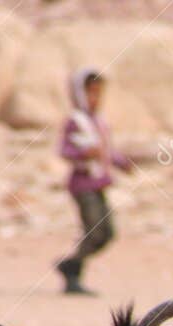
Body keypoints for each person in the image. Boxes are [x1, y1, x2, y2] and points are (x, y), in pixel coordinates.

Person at [55, 69, 131, 296]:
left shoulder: (98, 122)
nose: (95, 99)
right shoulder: (75, 121)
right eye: (91, 93)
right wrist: (85, 153)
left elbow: (106, 151)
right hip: (83, 185)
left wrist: (122, 162)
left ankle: (71, 265)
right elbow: (65, 150)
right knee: (94, 232)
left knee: (107, 233)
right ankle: (72, 272)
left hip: (98, 184)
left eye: (98, 94)